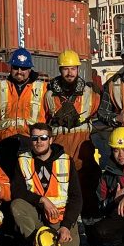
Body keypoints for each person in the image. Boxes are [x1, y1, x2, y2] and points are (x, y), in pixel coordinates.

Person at [9, 122, 82, 246]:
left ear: (50, 139)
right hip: (38, 216)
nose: (38, 142)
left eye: (43, 138)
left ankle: (50, 242)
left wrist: (66, 226)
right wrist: (41, 200)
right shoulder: (23, 160)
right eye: (34, 138)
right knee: (17, 205)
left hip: (60, 218)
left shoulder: (66, 160)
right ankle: (34, 245)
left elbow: (76, 197)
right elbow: (17, 191)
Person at [44, 49, 100, 217]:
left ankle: (89, 224)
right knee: (61, 191)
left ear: (78, 69)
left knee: (87, 190)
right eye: (65, 69)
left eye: (73, 68)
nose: (70, 73)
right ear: (60, 70)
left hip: (82, 152)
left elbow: (102, 113)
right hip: (59, 152)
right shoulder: (48, 95)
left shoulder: (90, 94)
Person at [0, 48, 47, 165]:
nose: (19, 71)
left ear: (30, 69)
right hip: (5, 146)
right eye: (16, 67)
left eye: (23, 68)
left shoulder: (44, 89)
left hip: (32, 145)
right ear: (11, 68)